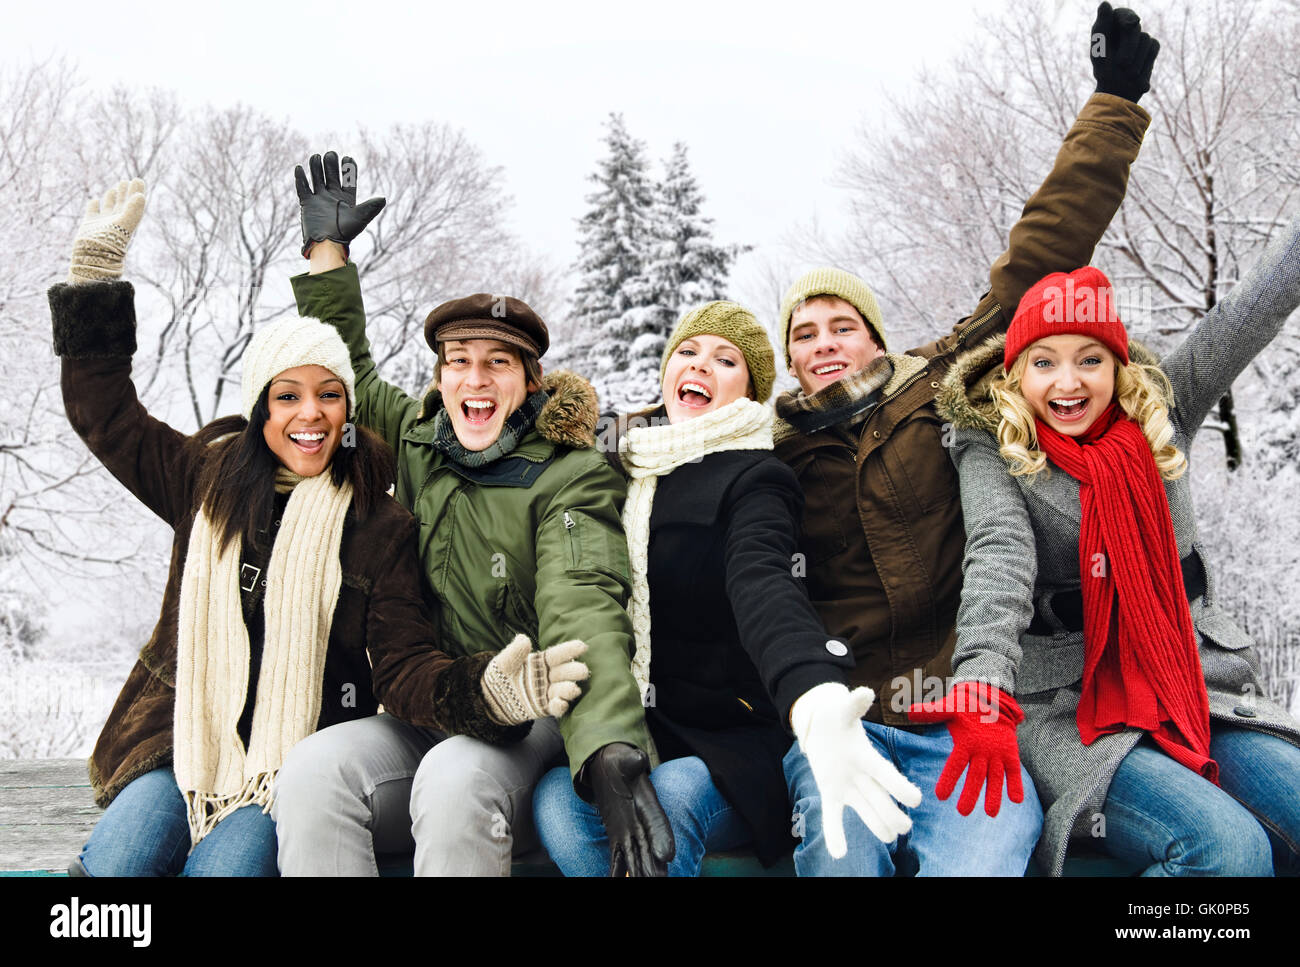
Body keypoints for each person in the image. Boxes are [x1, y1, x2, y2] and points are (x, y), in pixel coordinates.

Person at [52, 178, 582, 877]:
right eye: (289, 396)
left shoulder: (376, 523)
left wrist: (486, 690)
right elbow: (105, 413)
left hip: (285, 768)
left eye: (329, 396)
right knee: (116, 868)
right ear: (260, 409)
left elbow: (404, 666)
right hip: (179, 747)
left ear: (347, 410)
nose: (311, 414)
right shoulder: (200, 479)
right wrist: (94, 280)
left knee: (227, 872)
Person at [766, 3, 1160, 874]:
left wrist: (1115, 103)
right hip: (847, 723)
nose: (824, 342)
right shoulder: (771, 453)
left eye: (842, 325)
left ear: (876, 337)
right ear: (789, 359)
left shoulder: (937, 392)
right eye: (804, 332)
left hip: (963, 717)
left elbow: (1041, 254)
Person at [272, 153, 675, 876]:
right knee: (313, 770)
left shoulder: (569, 475)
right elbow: (350, 371)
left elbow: (582, 606)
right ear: (439, 378)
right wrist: (328, 255)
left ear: (528, 382)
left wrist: (612, 745)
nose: (475, 378)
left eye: (498, 363)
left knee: (455, 777)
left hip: (531, 718)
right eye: (458, 360)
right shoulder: (422, 445)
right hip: (430, 706)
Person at [936, 222, 1300, 876]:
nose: (1067, 381)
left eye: (1089, 358)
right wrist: (982, 692)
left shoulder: (1165, 404)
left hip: (1190, 679)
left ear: (1118, 363)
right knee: (1228, 852)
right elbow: (997, 561)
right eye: (1044, 361)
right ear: (1017, 373)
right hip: (1075, 703)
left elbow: (1249, 313)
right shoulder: (993, 447)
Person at [531, 303, 921, 875]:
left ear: (749, 391)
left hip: (729, 737)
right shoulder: (614, 464)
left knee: (674, 795)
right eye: (688, 352)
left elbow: (762, 582)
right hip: (630, 724)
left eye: (726, 359)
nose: (700, 366)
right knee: (558, 809)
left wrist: (810, 690)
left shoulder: (755, 478)